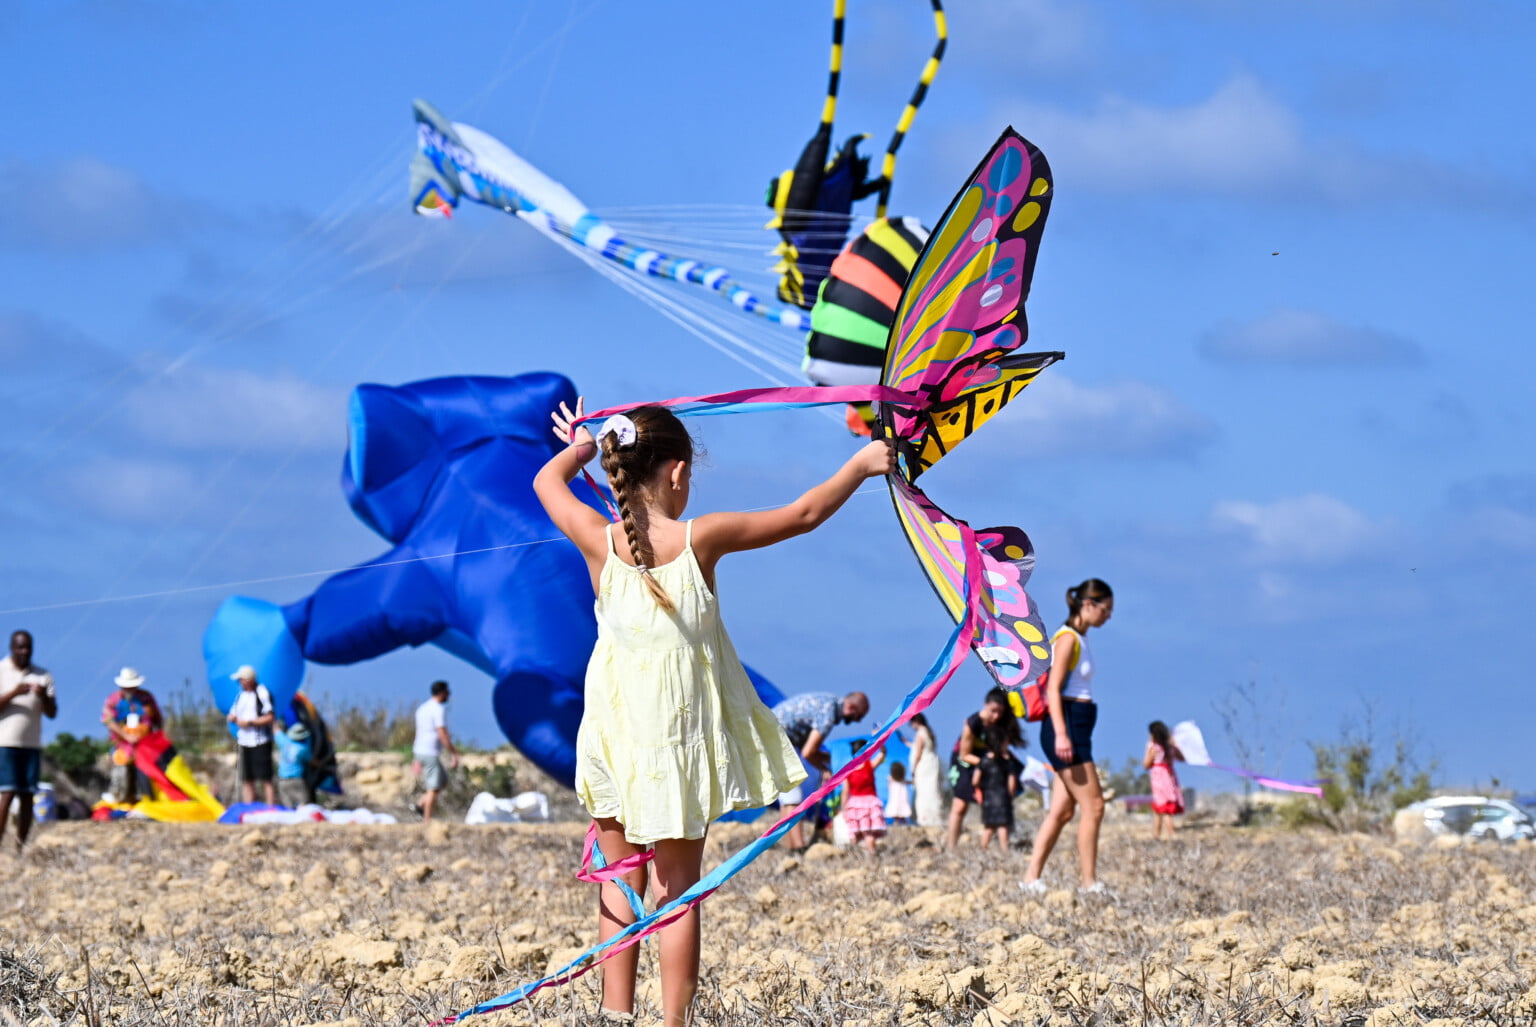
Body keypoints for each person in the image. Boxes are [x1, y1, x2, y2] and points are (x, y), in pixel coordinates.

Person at [533, 397, 891, 1027]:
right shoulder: (701, 538)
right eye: (689, 475)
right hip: (671, 742)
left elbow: (545, 480)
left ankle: (615, 1015)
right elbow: (804, 514)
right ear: (675, 472)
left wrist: (584, 448)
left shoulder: (597, 539)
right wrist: (860, 465)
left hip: (612, 736)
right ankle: (674, 1022)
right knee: (678, 890)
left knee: (619, 878)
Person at [1021, 579, 1114, 895]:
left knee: (1062, 810)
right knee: (1095, 806)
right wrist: (1061, 734)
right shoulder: (1067, 640)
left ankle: (1030, 879)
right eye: (1106, 609)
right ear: (1088, 605)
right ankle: (1089, 884)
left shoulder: (1081, 639)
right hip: (1067, 730)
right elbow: (1052, 689)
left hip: (1078, 727)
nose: (1108, 616)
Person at [772, 690, 870, 850]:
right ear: (851, 707)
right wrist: (825, 769)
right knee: (793, 797)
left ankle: (791, 846)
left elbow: (807, 747)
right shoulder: (828, 714)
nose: (855, 722)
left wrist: (828, 759)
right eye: (858, 716)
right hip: (776, 739)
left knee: (787, 798)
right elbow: (808, 752)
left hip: (773, 736)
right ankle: (798, 847)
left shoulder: (827, 701)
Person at [944, 688, 1021, 851]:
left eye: (1000, 712)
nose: (996, 716)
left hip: (991, 763)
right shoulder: (973, 723)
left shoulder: (1001, 724)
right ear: (985, 705)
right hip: (965, 762)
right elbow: (965, 754)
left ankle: (996, 842)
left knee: (998, 800)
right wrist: (987, 762)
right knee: (960, 805)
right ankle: (951, 847)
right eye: (993, 711)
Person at [0, 630, 56, 850]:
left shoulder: (43, 675)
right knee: (7, 793)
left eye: (28, 648)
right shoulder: (1, 671)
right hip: (5, 743)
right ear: (11, 648)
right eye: (20, 647)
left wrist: (43, 696)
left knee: (27, 796)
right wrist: (14, 693)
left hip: (32, 745)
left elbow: (52, 712)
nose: (24, 652)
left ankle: (20, 847)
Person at [101, 667, 163, 803]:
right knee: (121, 768)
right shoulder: (113, 700)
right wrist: (126, 735)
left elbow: (157, 719)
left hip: (145, 743)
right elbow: (108, 720)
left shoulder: (146, 698)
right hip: (122, 744)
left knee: (145, 771)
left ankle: (146, 798)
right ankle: (119, 796)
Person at [226, 665, 277, 806]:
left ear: (248, 680)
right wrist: (233, 718)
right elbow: (233, 713)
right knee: (247, 778)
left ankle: (270, 807)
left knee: (266, 777)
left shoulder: (262, 692)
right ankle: (249, 807)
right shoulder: (240, 696)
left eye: (241, 680)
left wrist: (250, 723)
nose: (239, 683)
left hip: (260, 740)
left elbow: (270, 716)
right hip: (244, 741)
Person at [412, 680, 458, 820]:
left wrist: (415, 759)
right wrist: (453, 753)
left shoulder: (422, 708)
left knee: (442, 781)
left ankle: (420, 805)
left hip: (420, 749)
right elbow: (441, 732)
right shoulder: (438, 709)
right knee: (432, 788)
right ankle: (427, 821)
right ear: (442, 693)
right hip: (429, 752)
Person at [840, 739, 887, 854]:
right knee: (869, 834)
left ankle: (854, 856)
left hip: (854, 805)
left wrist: (843, 809)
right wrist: (879, 739)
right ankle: (871, 855)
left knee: (855, 834)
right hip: (870, 803)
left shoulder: (848, 770)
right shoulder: (869, 765)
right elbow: (883, 753)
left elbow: (845, 792)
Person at [972, 747, 1019, 853]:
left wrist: (983, 787)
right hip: (1003, 798)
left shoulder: (983, 762)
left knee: (988, 827)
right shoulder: (1008, 763)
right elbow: (1012, 784)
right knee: (1003, 826)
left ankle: (982, 851)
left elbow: (975, 780)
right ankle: (1005, 851)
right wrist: (1011, 795)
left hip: (988, 798)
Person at [1145, 720, 1185, 841]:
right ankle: (1156, 834)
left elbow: (1146, 764)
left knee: (1163, 806)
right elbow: (1182, 758)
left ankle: (1172, 833)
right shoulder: (1171, 748)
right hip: (1170, 776)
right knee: (1160, 807)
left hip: (1158, 778)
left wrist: (1150, 753)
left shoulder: (1154, 748)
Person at [907, 712, 945, 827]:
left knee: (923, 791)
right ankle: (935, 817)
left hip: (924, 765)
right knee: (933, 789)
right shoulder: (929, 733)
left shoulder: (920, 734)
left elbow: (918, 752)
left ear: (916, 722)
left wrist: (913, 769)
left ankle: (925, 818)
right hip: (932, 763)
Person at [883, 761, 913, 826]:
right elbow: (910, 782)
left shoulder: (890, 778)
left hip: (894, 799)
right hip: (903, 799)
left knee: (895, 815)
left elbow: (888, 787)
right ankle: (905, 823)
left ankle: (896, 823)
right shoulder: (903, 779)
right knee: (903, 815)